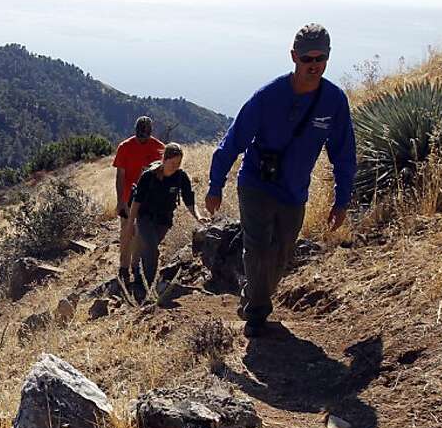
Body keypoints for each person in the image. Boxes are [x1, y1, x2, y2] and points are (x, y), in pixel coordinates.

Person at [205, 24, 357, 337]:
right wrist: (215, 185)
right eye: (306, 58)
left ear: (328, 57)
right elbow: (233, 141)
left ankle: (252, 297)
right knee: (258, 248)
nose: (313, 65)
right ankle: (257, 316)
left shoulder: (333, 101)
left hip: (294, 191)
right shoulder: (267, 97)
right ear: (293, 57)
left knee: (282, 254)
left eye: (320, 58)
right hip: (256, 184)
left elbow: (344, 153)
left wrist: (342, 200)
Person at [129, 142, 200, 293]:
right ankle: (147, 287)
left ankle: (138, 275)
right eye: (173, 163)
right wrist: (130, 224)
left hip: (164, 221)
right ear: (164, 159)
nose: (175, 166)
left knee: (149, 250)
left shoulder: (180, 177)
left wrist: (198, 216)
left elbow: (189, 200)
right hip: (145, 218)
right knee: (152, 250)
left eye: (178, 163)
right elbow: (137, 201)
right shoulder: (149, 176)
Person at [112, 115, 165, 286]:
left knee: (141, 236)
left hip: (148, 202)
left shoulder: (159, 148)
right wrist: (120, 201)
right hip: (129, 198)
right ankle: (123, 267)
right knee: (126, 233)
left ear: (150, 133)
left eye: (145, 135)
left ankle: (136, 267)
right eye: (140, 135)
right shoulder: (125, 147)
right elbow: (120, 176)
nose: (142, 139)